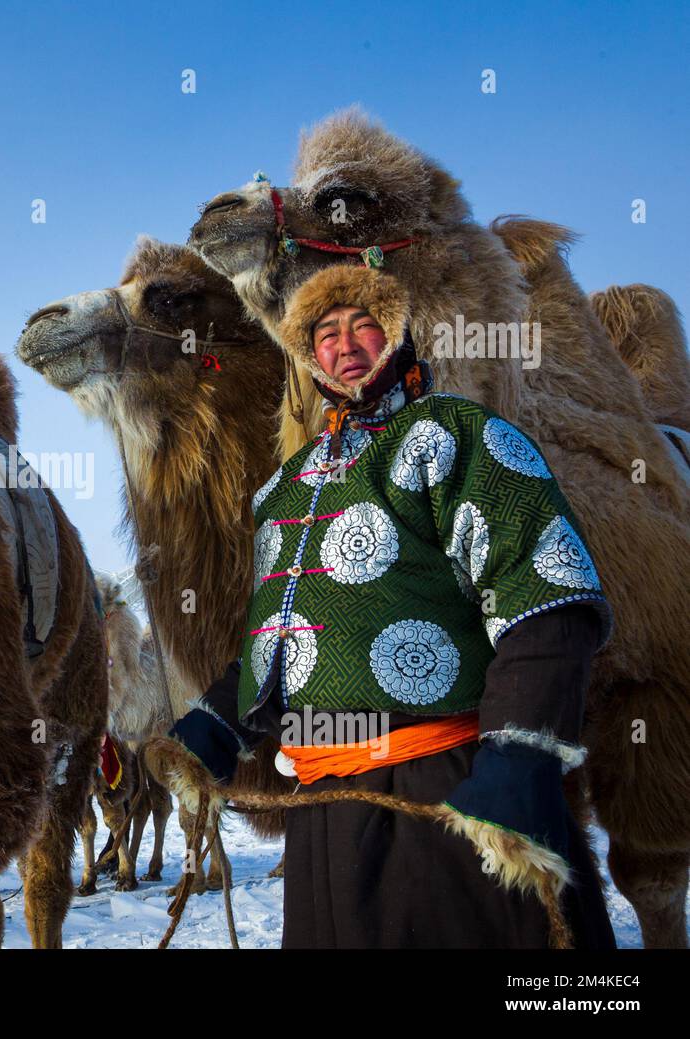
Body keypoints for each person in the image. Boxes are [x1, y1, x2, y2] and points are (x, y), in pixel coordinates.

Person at [148, 264, 616, 948]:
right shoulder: (289, 485)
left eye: (361, 323)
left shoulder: (457, 435)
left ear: (397, 334)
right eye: (324, 333)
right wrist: (218, 726)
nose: (343, 342)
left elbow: (546, 591)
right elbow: (279, 634)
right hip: (324, 815)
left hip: (442, 798)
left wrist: (521, 758)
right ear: (310, 358)